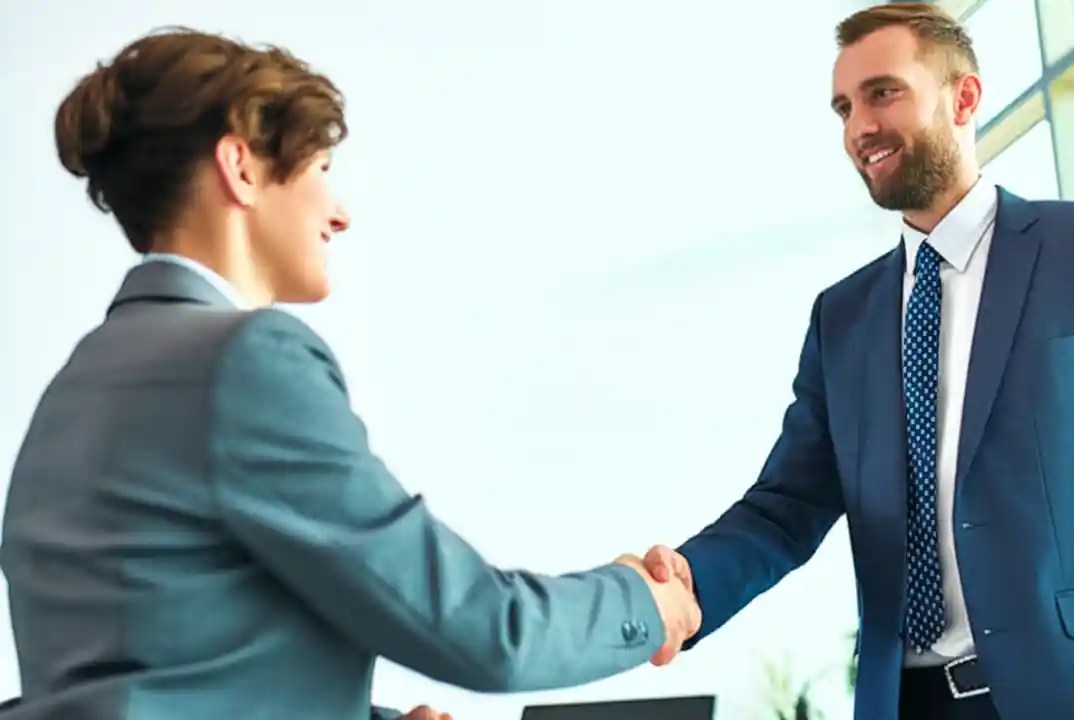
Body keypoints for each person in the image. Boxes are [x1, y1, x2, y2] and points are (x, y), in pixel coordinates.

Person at [0, 28, 700, 720]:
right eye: (322, 169)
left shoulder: (76, 388)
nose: (340, 214)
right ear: (241, 168)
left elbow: (165, 670)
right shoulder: (248, 359)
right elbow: (481, 629)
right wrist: (642, 603)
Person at [639, 4, 1074, 719]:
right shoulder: (842, 318)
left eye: (882, 93)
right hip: (908, 703)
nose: (859, 127)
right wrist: (688, 587)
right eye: (844, 108)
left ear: (964, 98)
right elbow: (786, 507)